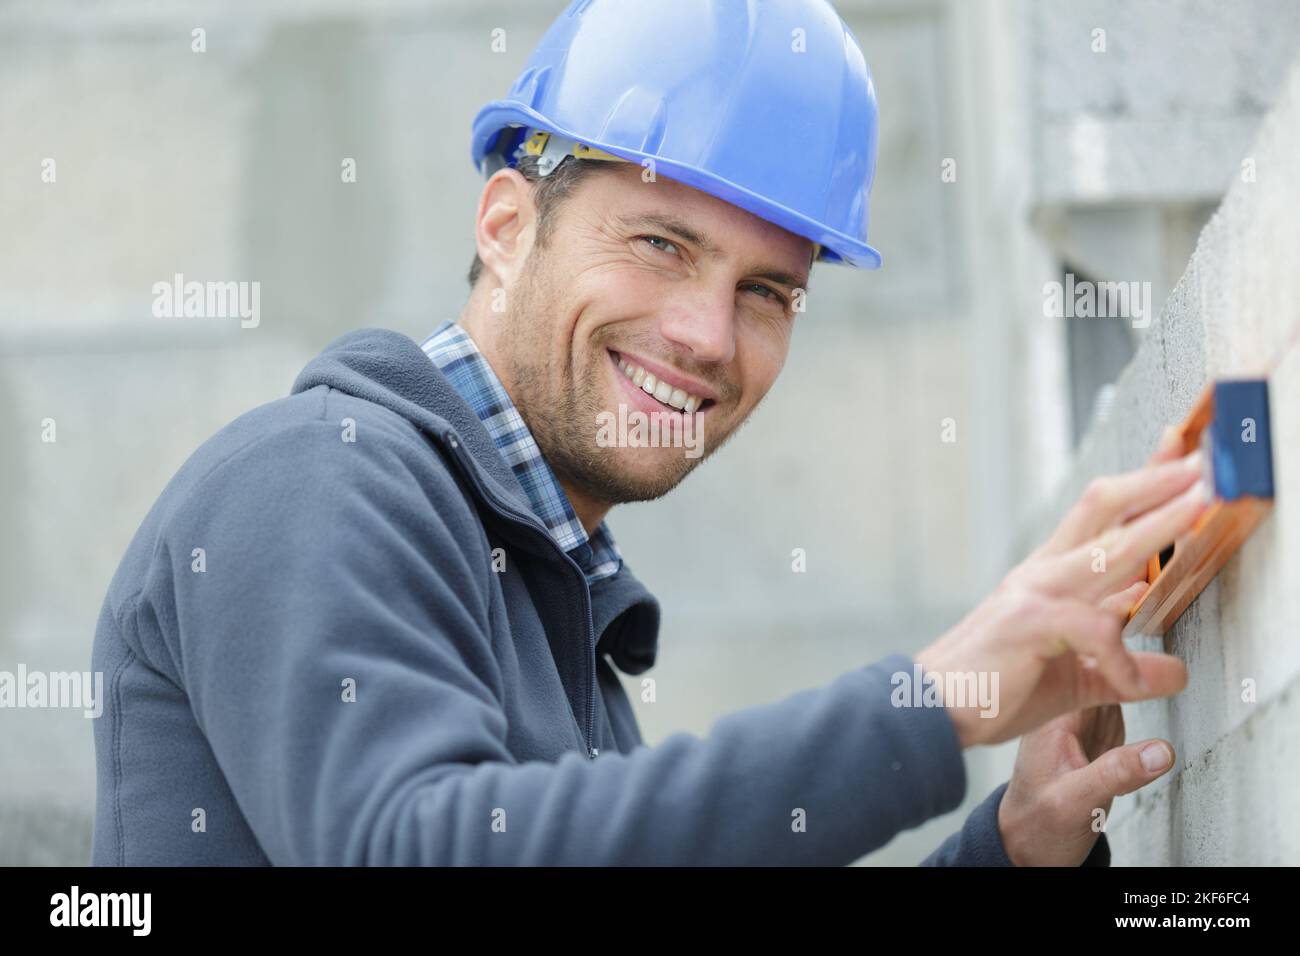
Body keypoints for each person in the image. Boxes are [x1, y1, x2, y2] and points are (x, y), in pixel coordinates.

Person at [90, 0, 1204, 865]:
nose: (707, 334)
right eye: (661, 244)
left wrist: (1008, 848)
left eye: (765, 291)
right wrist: (932, 698)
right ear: (507, 224)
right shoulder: (315, 478)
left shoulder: (551, 602)